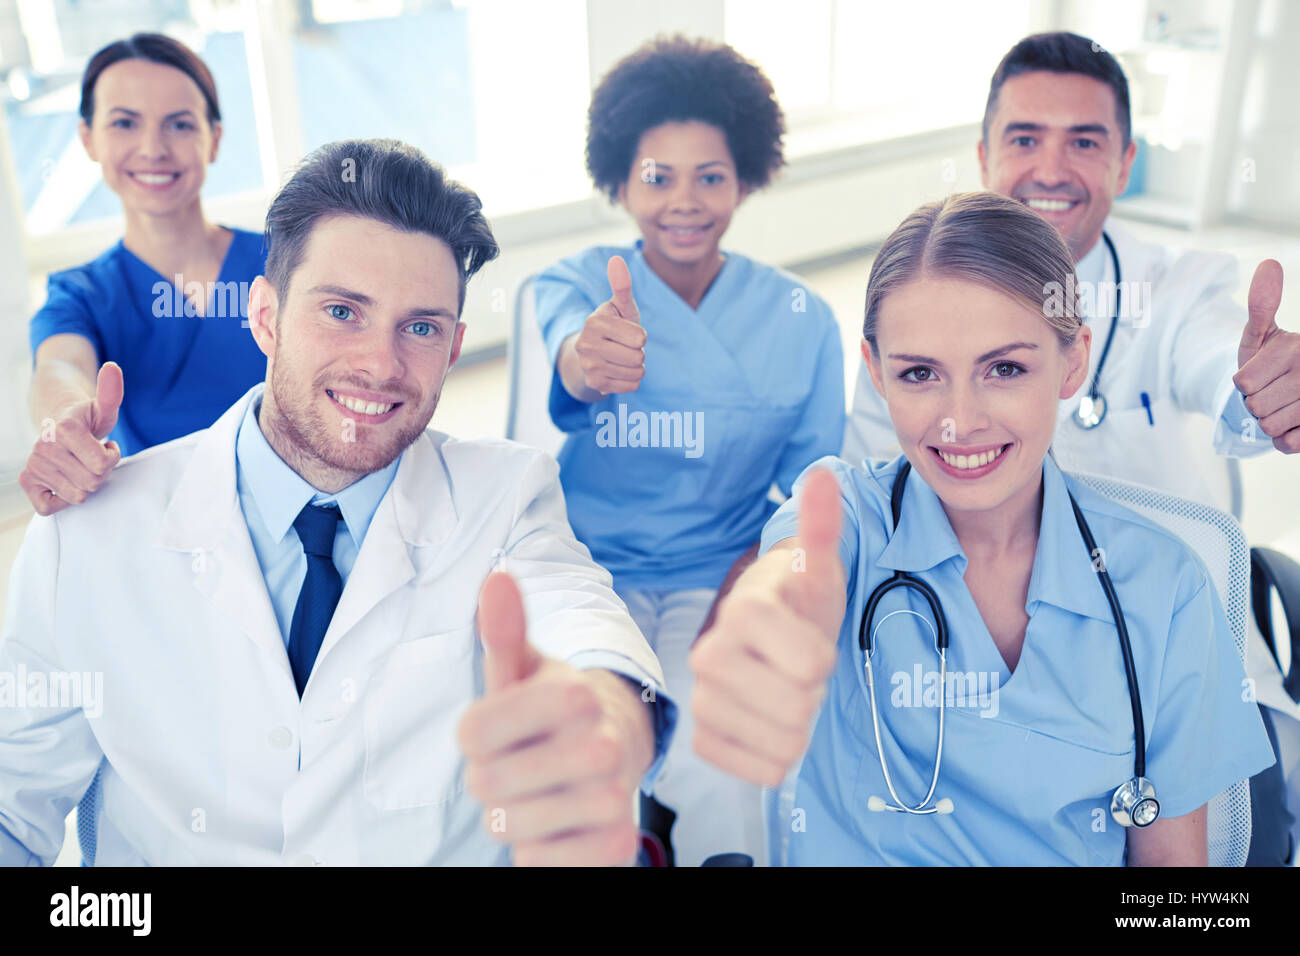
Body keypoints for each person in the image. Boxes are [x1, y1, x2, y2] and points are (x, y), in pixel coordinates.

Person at [0, 139, 672, 867]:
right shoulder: (92, 532)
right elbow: (13, 801)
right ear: (265, 316)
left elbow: (584, 625)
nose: (381, 365)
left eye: (421, 327)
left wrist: (607, 726)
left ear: (453, 349)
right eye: (343, 311)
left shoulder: (506, 496)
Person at [691, 191, 1275, 866]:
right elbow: (793, 576)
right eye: (919, 373)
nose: (959, 421)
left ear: (1073, 360)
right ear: (877, 373)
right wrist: (771, 618)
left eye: (1005, 369)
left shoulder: (1162, 585)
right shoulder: (844, 516)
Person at [842, 30, 1298, 864]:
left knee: (1263, 828)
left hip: (1169, 670)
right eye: (1025, 138)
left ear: (1126, 163)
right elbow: (852, 508)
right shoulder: (916, 304)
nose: (1051, 168)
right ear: (983, 154)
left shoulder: (1182, 290)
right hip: (951, 673)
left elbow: (1219, 366)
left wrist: (1265, 390)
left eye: (1084, 141)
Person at [534, 35, 845, 865]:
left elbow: (816, 483)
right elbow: (569, 361)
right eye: (657, 176)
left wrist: (753, 575)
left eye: (710, 175)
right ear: (619, 182)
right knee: (581, 723)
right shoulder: (570, 287)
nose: (684, 201)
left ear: (745, 175)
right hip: (587, 565)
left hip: (718, 565)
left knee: (725, 728)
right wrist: (589, 358)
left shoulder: (801, 319)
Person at [19, 33, 267, 516]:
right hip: (167, 532)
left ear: (213, 139)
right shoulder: (80, 296)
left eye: (178, 124)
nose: (152, 149)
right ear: (88, 138)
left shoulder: (286, 261)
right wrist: (66, 417)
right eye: (124, 123)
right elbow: (60, 368)